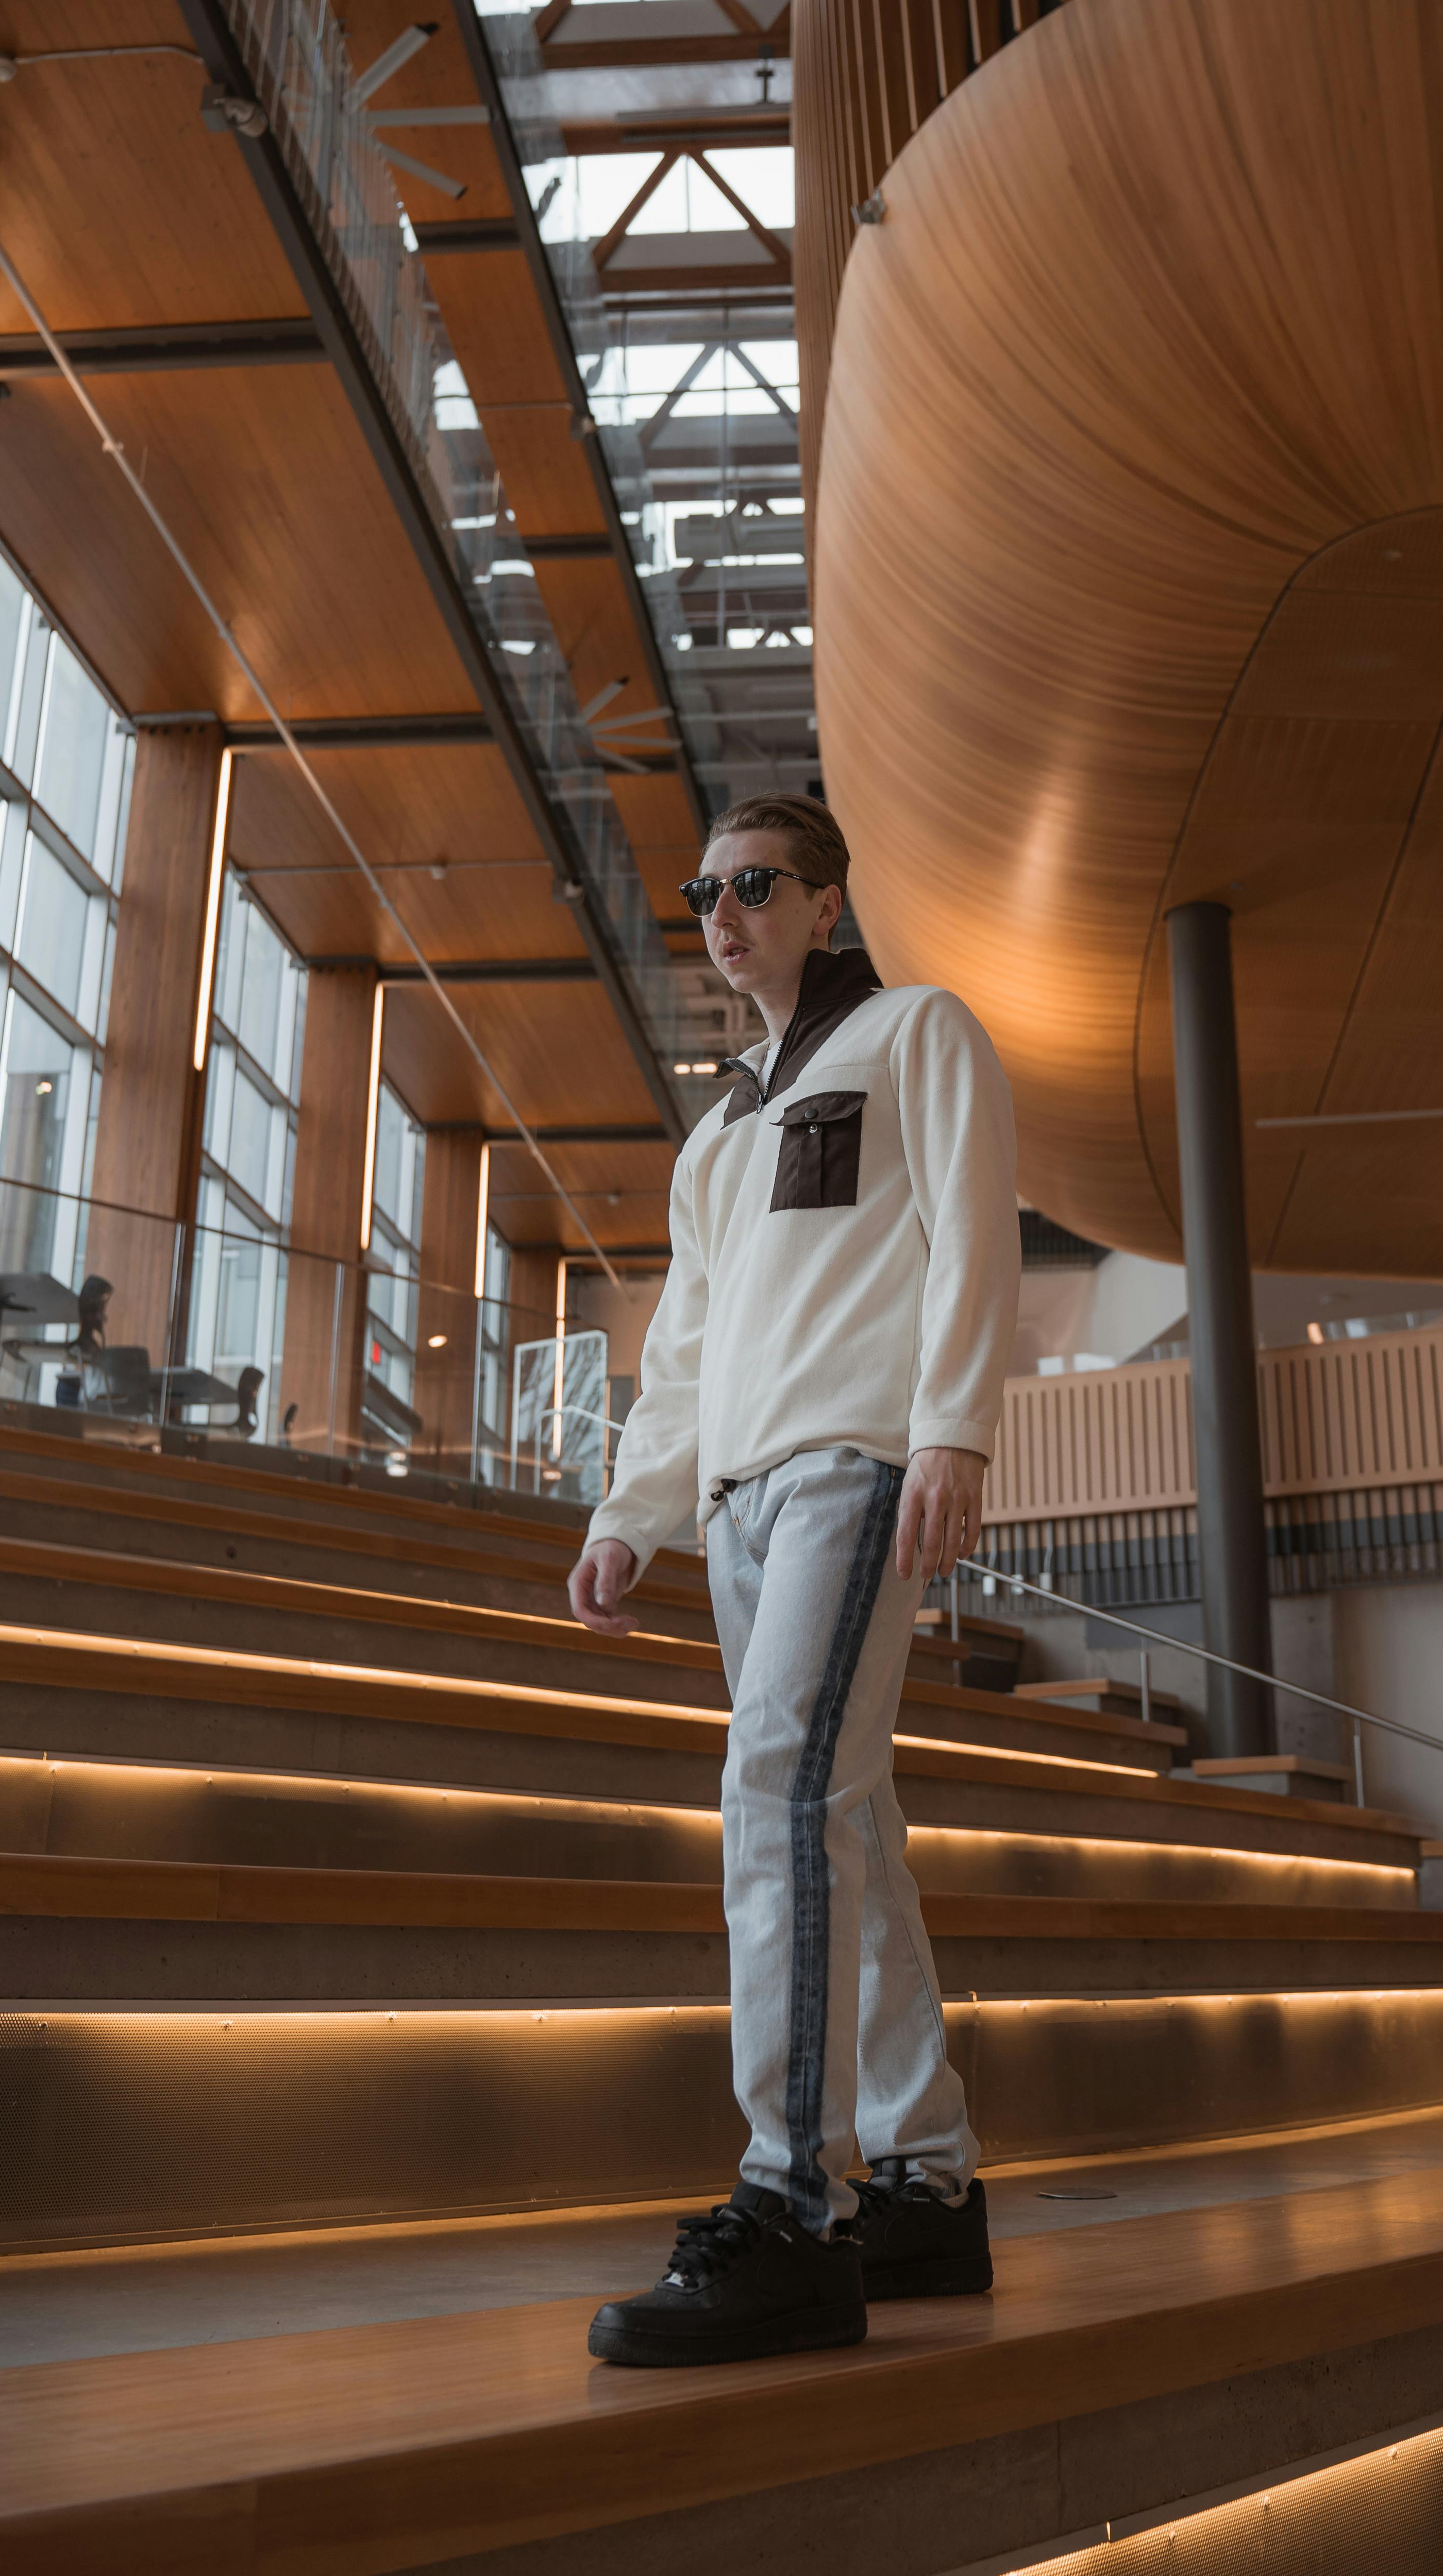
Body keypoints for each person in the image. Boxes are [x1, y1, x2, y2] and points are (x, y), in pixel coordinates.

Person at [567, 791, 1020, 2367]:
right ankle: (928, 2180)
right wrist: (634, 1509)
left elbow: (973, 1235)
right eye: (704, 892)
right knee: (843, 1815)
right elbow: (682, 1353)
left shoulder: (914, 1036)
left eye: (753, 884)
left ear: (826, 900)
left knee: (774, 1787)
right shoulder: (717, 1139)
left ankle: (788, 2201)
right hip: (746, 1498)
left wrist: (954, 1429)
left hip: (855, 1465)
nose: (721, 913)